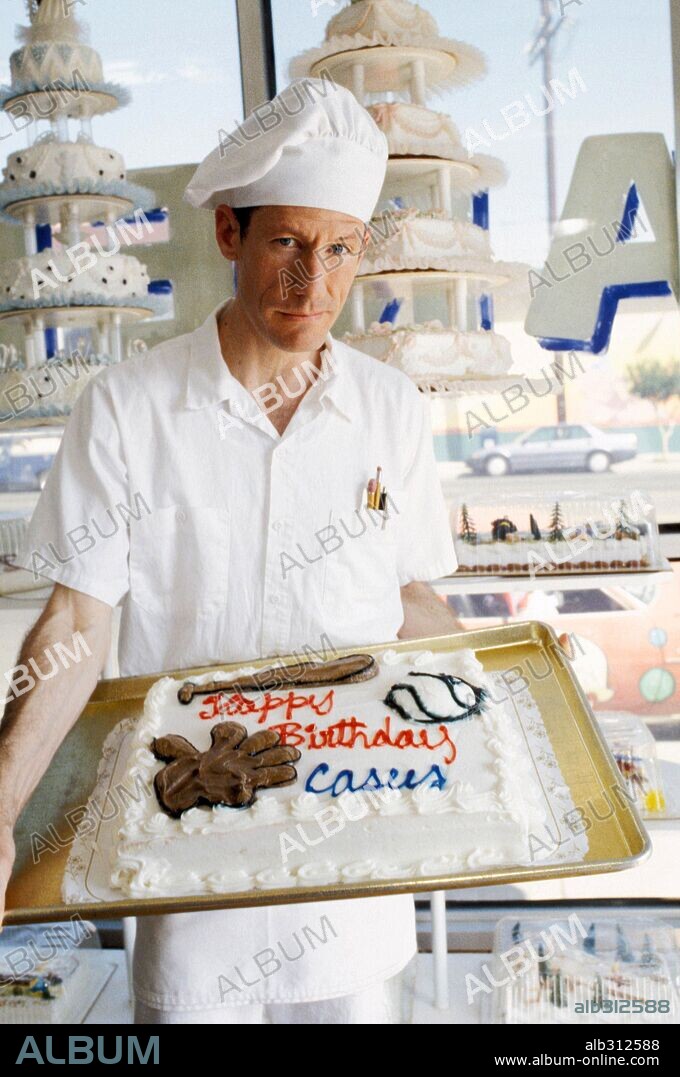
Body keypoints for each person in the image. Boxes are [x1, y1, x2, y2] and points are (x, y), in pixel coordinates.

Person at [0, 77, 462, 1024]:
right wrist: (2, 803)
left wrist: (519, 705)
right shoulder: (128, 409)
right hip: (189, 851)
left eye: (339, 249)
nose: (312, 283)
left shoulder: (390, 408)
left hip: (351, 856)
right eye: (286, 243)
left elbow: (410, 595)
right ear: (228, 234)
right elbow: (78, 617)